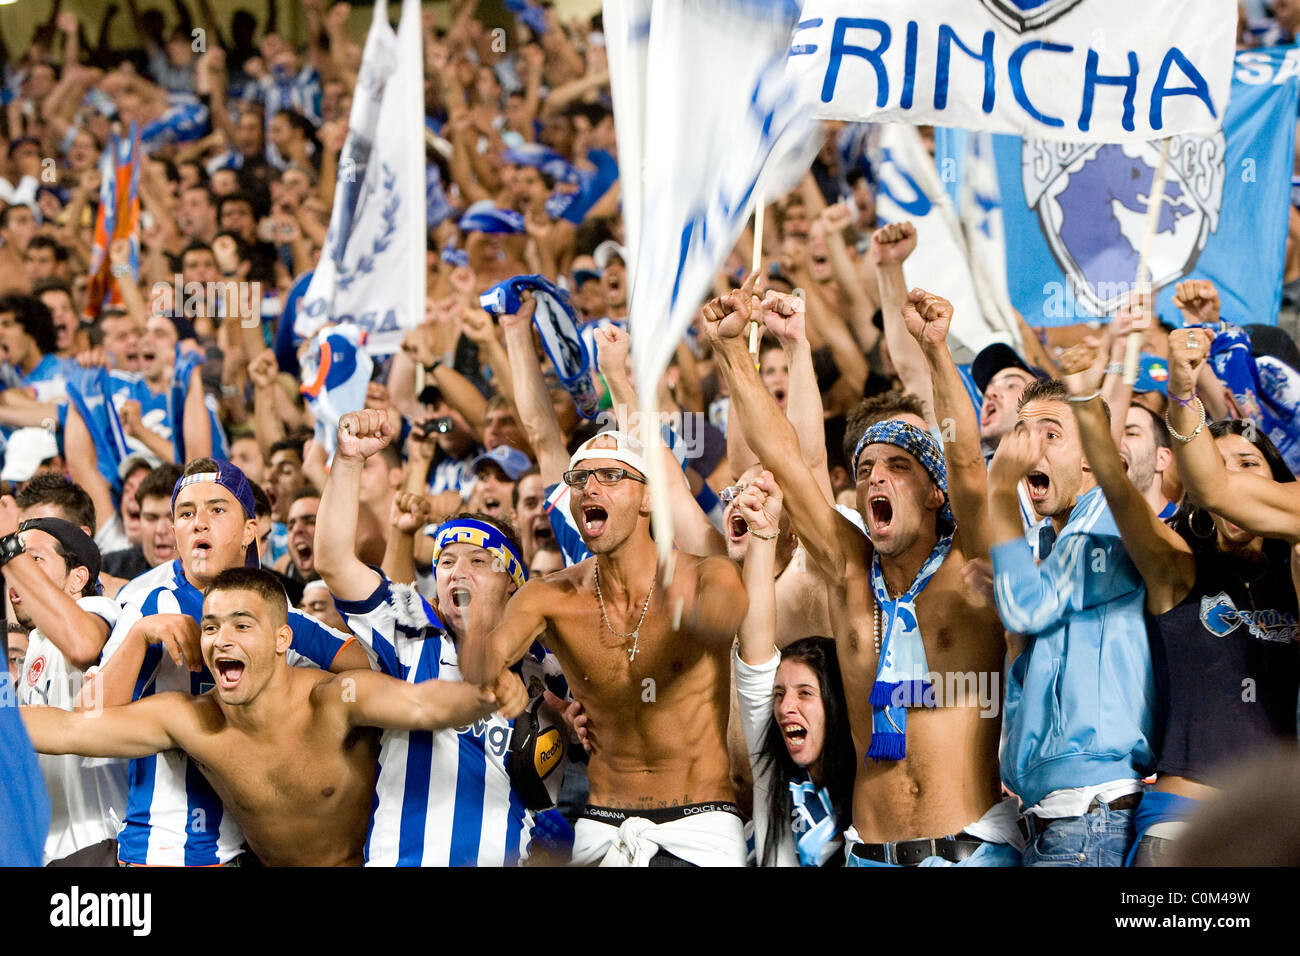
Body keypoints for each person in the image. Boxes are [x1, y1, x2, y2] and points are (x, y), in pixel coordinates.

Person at [22, 567, 527, 866]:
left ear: (283, 641)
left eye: (243, 625)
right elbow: (67, 729)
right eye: (213, 627)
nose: (222, 639)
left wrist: (483, 695)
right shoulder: (195, 722)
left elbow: (423, 704)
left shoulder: (336, 700)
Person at [462, 426, 750, 867]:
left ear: (648, 498)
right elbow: (485, 659)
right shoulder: (551, 598)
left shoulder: (707, 577)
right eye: (579, 479)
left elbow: (727, 617)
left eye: (611, 476)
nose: (590, 487)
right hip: (602, 827)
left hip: (700, 826)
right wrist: (514, 689)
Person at [1058, 340, 1299, 866]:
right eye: (1217, 466)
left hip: (1280, 831)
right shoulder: (1179, 566)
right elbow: (1119, 493)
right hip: (1182, 826)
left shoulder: (1296, 571)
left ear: (1276, 487)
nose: (1230, 475)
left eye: (1247, 463)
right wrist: (1085, 403)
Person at [82, 458, 371, 866]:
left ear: (250, 531)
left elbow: (368, 667)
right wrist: (138, 639)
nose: (199, 523)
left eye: (217, 509)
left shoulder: (276, 611)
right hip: (167, 852)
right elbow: (87, 716)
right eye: (186, 513)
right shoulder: (151, 606)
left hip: (256, 850)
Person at [315, 410, 569, 866]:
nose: (457, 571)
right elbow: (333, 560)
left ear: (512, 580)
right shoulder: (413, 630)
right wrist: (348, 461)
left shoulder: (541, 661)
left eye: (477, 560)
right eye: (447, 560)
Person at [988, 378, 1156, 866]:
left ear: (1091, 457)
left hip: (1092, 816)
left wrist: (999, 488)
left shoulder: (1108, 520)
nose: (1027, 447)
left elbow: (1024, 606)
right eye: (1021, 431)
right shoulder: (1045, 543)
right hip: (1055, 818)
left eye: (1050, 433)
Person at [730, 471, 855, 867]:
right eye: (780, 694)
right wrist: (763, 534)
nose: (786, 708)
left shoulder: (869, 767)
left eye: (805, 693)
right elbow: (754, 643)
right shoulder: (770, 767)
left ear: (835, 705)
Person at [3, 507, 124, 865]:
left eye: (34, 559)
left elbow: (84, 644)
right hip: (48, 850)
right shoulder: (35, 644)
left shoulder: (100, 612)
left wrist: (9, 547)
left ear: (77, 578)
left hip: (98, 842)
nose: (18, 575)